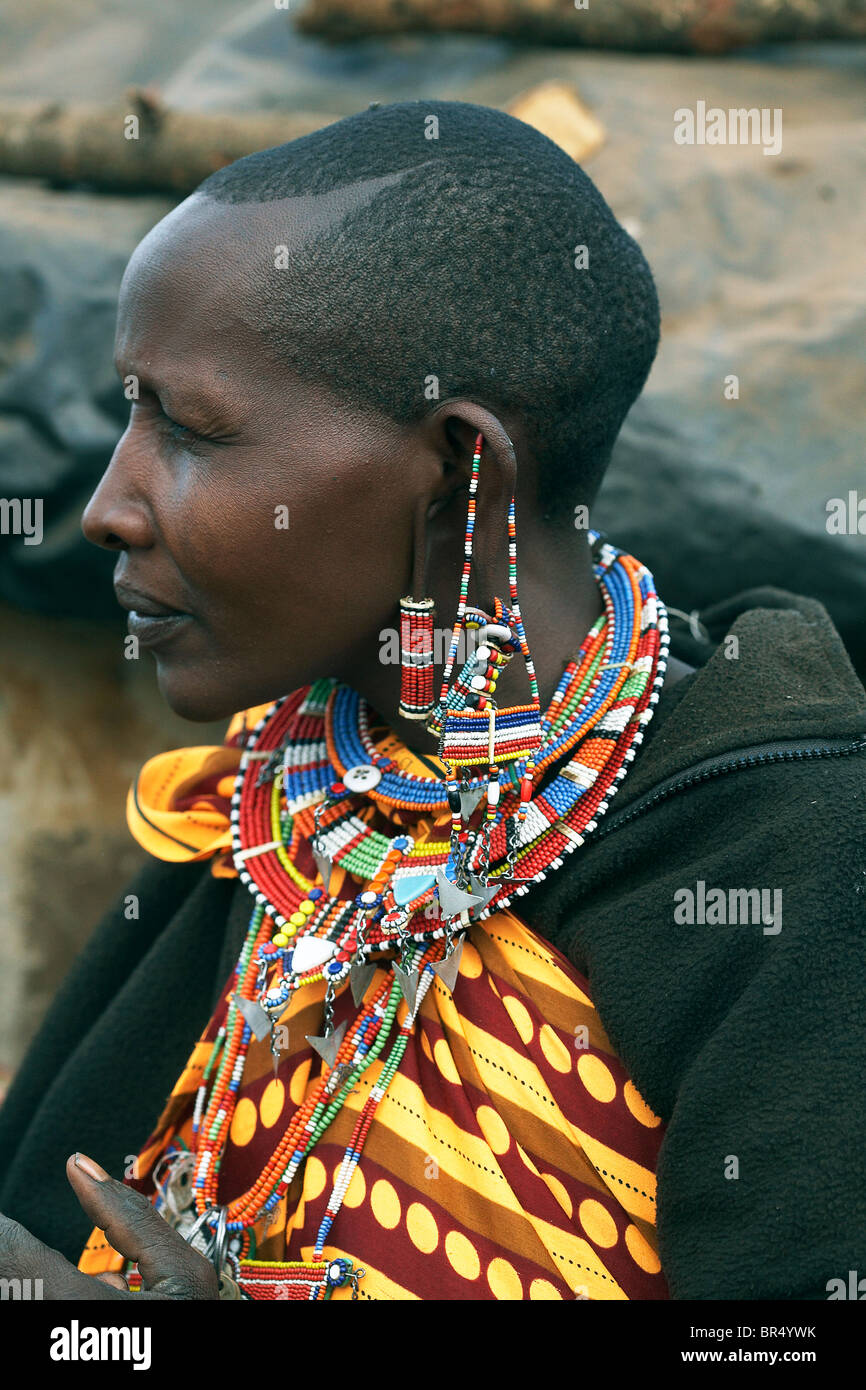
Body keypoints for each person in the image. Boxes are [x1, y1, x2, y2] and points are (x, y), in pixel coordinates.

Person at [0, 100, 863, 1302]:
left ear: (461, 470)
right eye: (127, 410)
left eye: (190, 429)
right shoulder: (276, 821)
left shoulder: (796, 876)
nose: (108, 505)